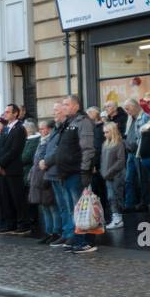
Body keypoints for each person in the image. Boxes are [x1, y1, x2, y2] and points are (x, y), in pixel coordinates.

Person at [49, 94, 99, 254]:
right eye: (63, 105)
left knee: (83, 209)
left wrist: (85, 170)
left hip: (77, 172)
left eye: (66, 104)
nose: (64, 107)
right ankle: (77, 238)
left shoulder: (83, 122)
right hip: (66, 173)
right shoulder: (68, 123)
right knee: (73, 209)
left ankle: (86, 241)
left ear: (76, 106)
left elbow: (88, 149)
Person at [0, 104, 29, 234]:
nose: (5, 114)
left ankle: (23, 224)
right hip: (3, 170)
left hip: (13, 170)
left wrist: (1, 163)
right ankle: (10, 223)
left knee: (17, 198)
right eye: (5, 111)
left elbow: (15, 150)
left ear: (15, 114)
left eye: (8, 112)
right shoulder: (5, 129)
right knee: (6, 198)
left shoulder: (19, 129)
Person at [29, 118, 60, 245]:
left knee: (52, 207)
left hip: (47, 176)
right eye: (40, 129)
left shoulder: (50, 142)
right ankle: (48, 232)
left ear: (49, 129)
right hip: (38, 177)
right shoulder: (41, 141)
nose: (41, 131)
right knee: (44, 207)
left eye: (43, 128)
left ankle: (56, 232)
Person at [121, 98, 147, 213]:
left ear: (136, 106)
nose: (126, 110)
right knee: (129, 179)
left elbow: (145, 136)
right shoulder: (130, 118)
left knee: (142, 178)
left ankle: (143, 203)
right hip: (130, 152)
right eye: (125, 108)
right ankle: (129, 204)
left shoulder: (145, 117)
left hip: (139, 152)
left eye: (128, 108)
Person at [100, 121, 126, 230]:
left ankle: (118, 218)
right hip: (107, 175)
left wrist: (109, 171)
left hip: (117, 175)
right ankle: (115, 216)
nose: (105, 134)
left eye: (107, 132)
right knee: (111, 197)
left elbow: (121, 161)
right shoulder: (105, 144)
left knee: (116, 196)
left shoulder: (119, 143)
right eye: (104, 132)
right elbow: (102, 159)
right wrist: (102, 171)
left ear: (113, 131)